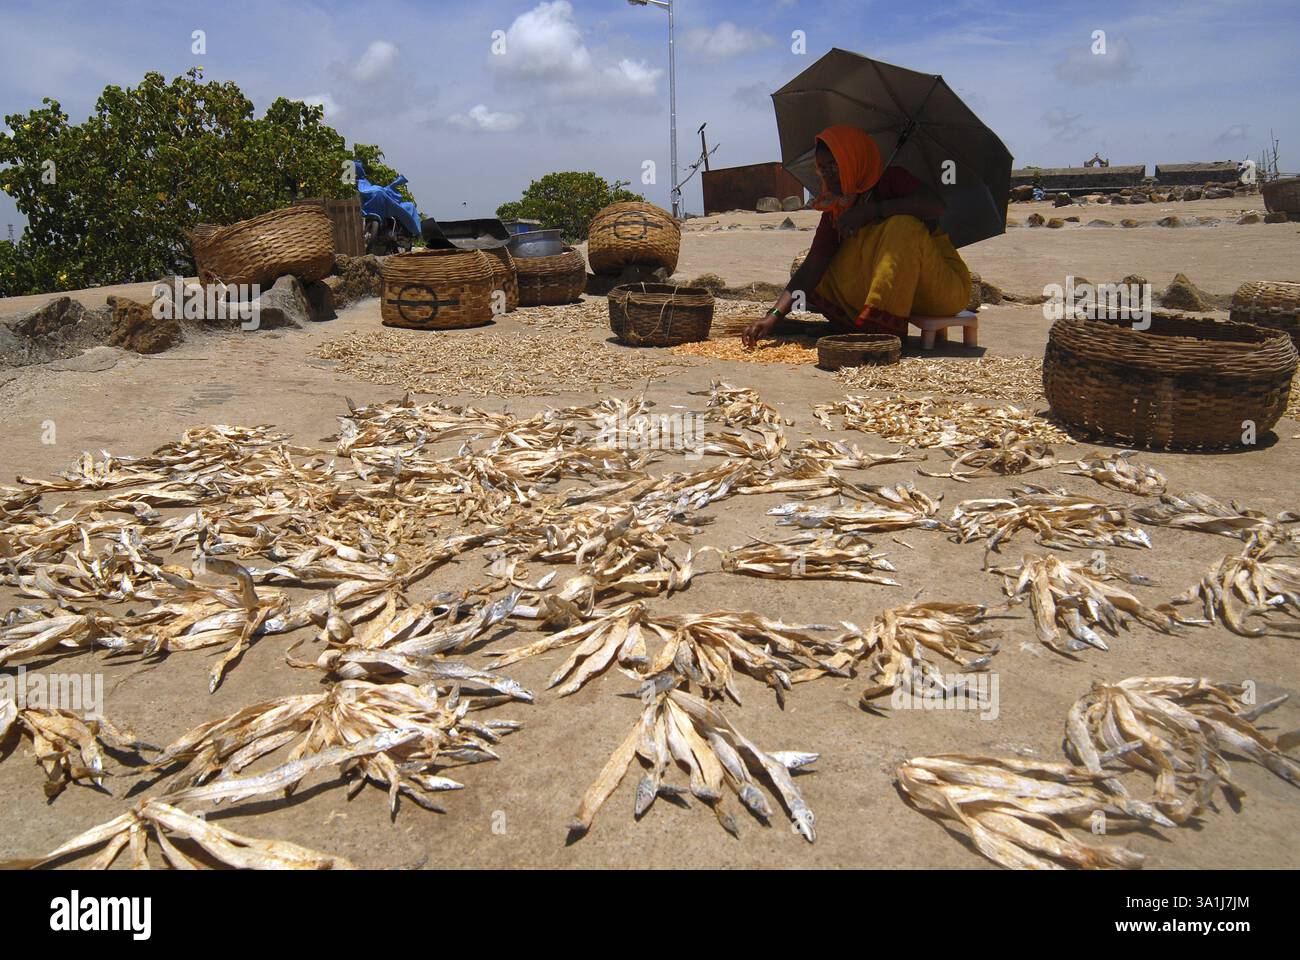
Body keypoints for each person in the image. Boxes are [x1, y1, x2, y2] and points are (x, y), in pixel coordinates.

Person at [744, 125, 971, 349]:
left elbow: (935, 206)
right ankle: (853, 323)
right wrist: (773, 316)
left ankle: (880, 333)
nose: (828, 175)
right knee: (820, 265)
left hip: (941, 290)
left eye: (835, 165)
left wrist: (872, 210)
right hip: (905, 297)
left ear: (853, 159)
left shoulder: (892, 179)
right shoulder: (838, 206)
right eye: (823, 168)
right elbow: (815, 264)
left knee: (903, 227)